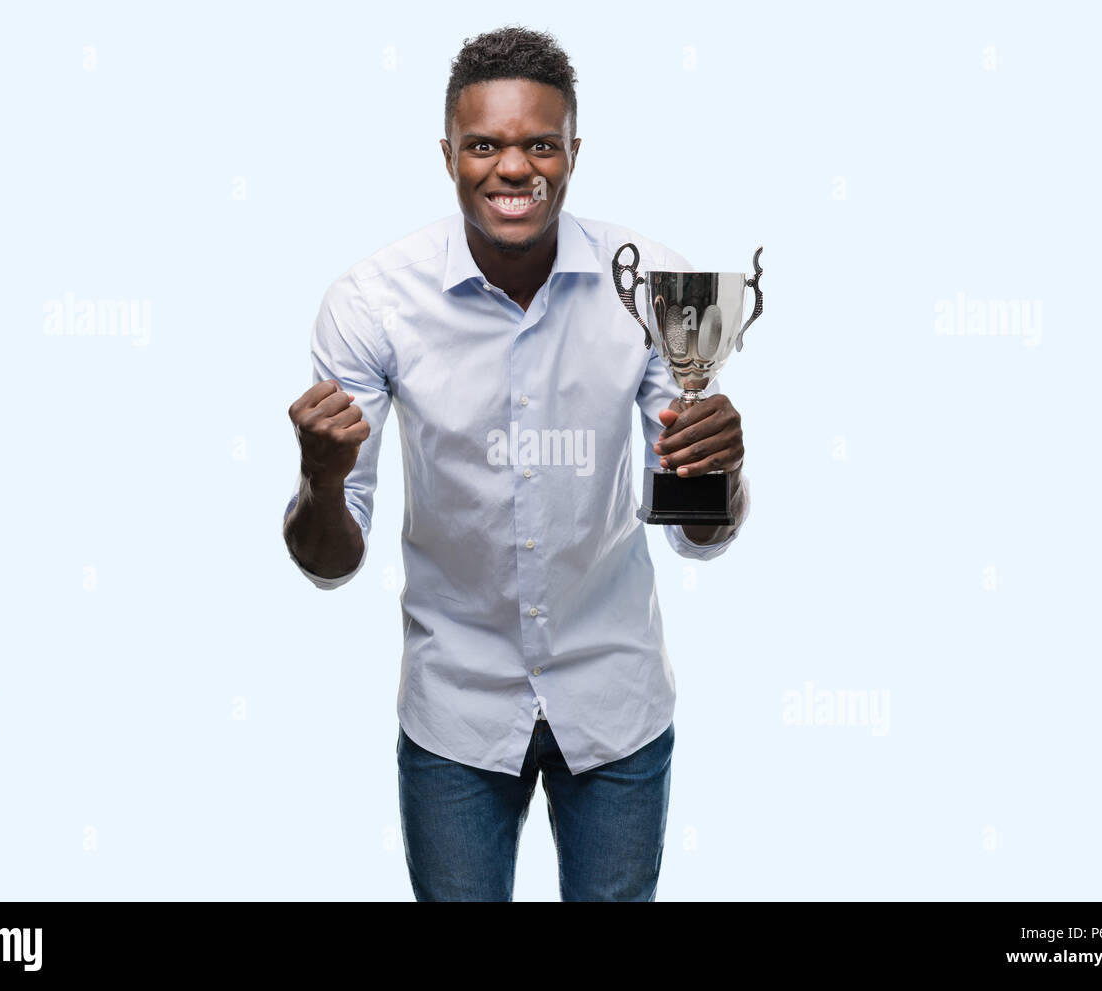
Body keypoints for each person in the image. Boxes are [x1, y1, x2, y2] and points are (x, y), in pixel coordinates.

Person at [283, 25, 751, 901]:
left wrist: (717, 468)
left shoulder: (651, 284)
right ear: (448, 155)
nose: (512, 167)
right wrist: (319, 477)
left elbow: (699, 534)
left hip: (616, 698)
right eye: (484, 145)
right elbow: (329, 562)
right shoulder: (372, 303)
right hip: (455, 712)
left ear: (574, 150)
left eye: (540, 143)